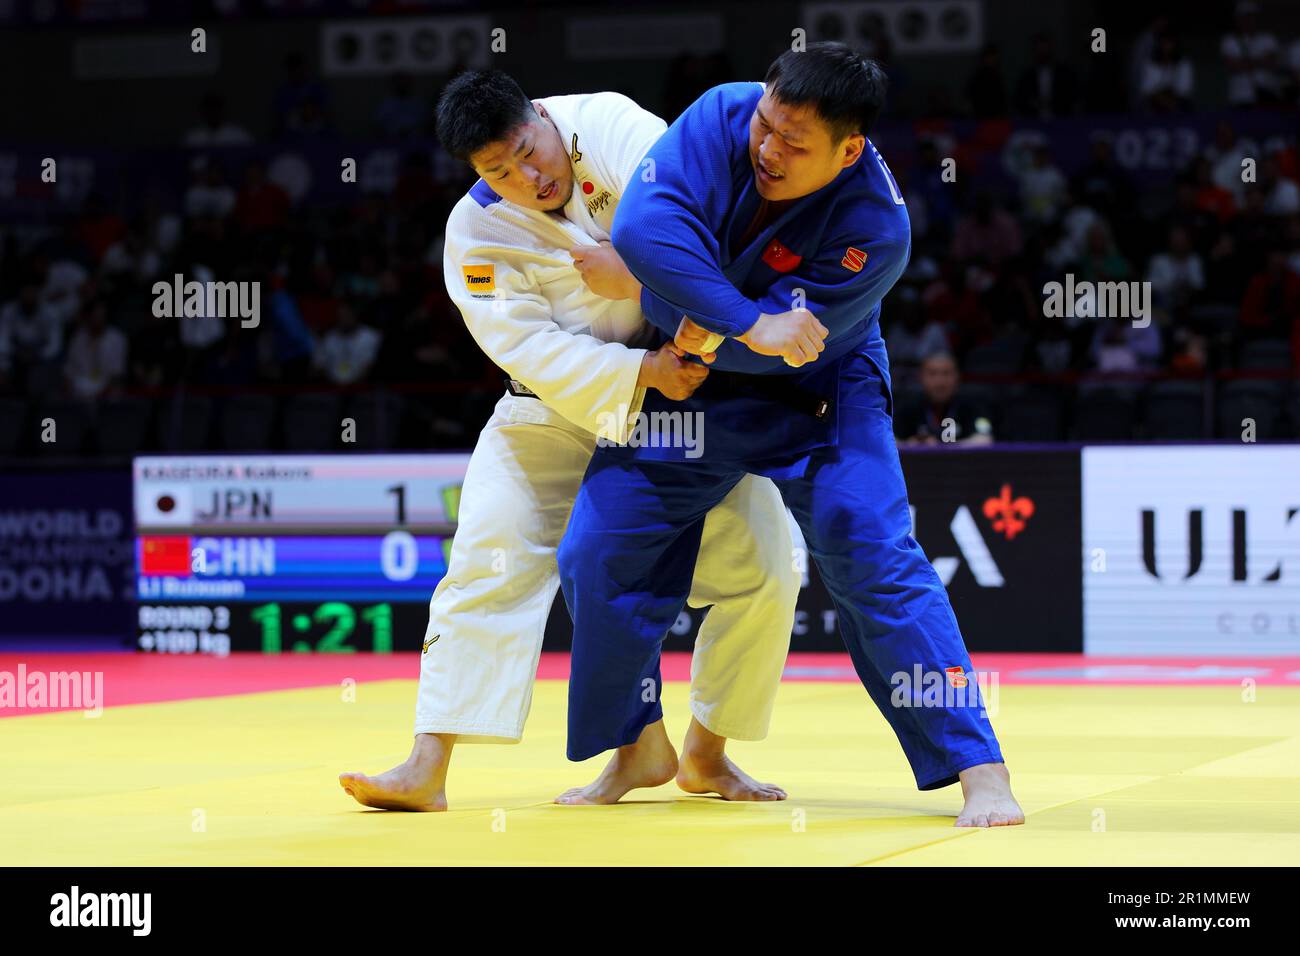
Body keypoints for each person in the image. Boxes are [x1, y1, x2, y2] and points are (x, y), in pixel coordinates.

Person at [555, 43, 1023, 827]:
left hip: (822, 392)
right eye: (766, 126)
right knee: (596, 548)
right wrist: (744, 319)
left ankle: (979, 764)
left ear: (849, 149)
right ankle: (636, 742)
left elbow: (789, 344)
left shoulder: (877, 227)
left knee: (871, 549)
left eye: (793, 142)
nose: (768, 149)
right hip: (692, 384)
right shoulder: (723, 113)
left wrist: (694, 310)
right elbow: (642, 229)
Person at [339, 71, 798, 812]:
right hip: (551, 410)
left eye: (528, 152)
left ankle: (707, 754)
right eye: (499, 172)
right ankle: (428, 765)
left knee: (769, 564)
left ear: (541, 117)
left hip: (679, 402)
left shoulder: (612, 127)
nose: (528, 179)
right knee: (486, 557)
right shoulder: (475, 233)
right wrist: (641, 369)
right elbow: (529, 349)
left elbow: (699, 221)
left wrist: (639, 286)